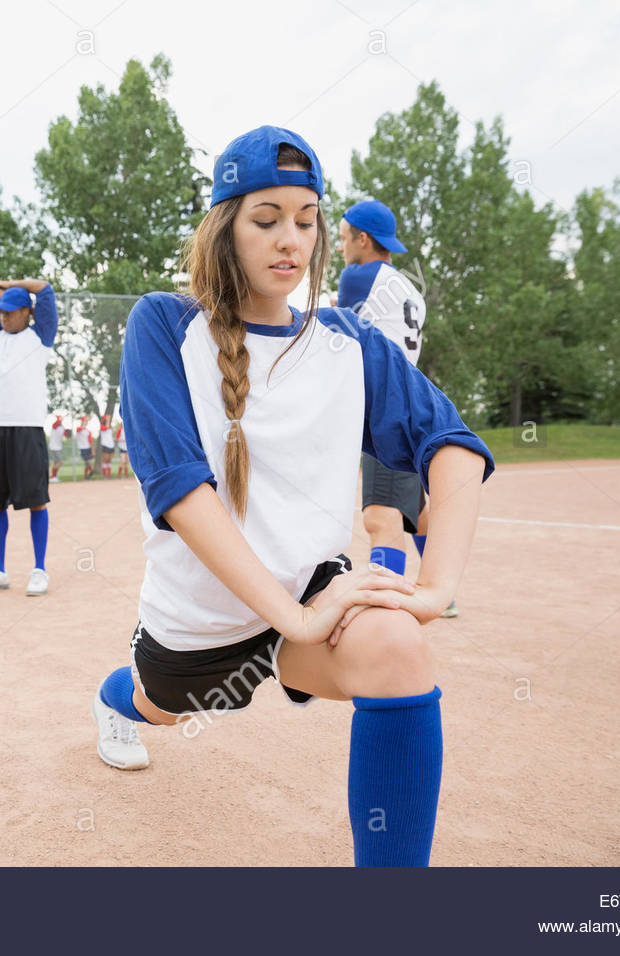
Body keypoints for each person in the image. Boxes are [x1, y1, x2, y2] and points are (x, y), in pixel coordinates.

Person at [88, 126, 493, 867]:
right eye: (266, 218)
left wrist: (436, 589)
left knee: (401, 646)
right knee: (160, 709)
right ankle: (113, 702)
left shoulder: (347, 341)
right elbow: (181, 489)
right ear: (225, 229)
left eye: (306, 220)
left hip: (309, 592)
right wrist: (296, 619)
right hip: (204, 617)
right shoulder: (163, 325)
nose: (291, 239)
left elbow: (454, 446)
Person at [338, 201, 456, 618]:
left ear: (363, 240)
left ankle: (385, 615)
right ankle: (444, 587)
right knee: (415, 510)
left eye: (343, 235)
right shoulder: (407, 287)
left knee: (381, 517)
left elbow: (338, 336)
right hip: (411, 401)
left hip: (384, 409)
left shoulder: (359, 275)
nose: (340, 246)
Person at [0, 279, 58, 597]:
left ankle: (39, 570)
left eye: (10, 312)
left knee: (36, 501)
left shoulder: (41, 336)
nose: (3, 317)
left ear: (26, 312)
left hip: (27, 428)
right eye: (0, 313)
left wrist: (12, 284)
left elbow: (45, 289)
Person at [48, 415, 66, 483]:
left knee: (56, 462)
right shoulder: (54, 426)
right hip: (54, 446)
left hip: (59, 447)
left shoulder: (61, 428)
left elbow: (66, 435)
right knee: (60, 462)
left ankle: (54, 477)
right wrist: (59, 418)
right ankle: (53, 476)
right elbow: (57, 422)